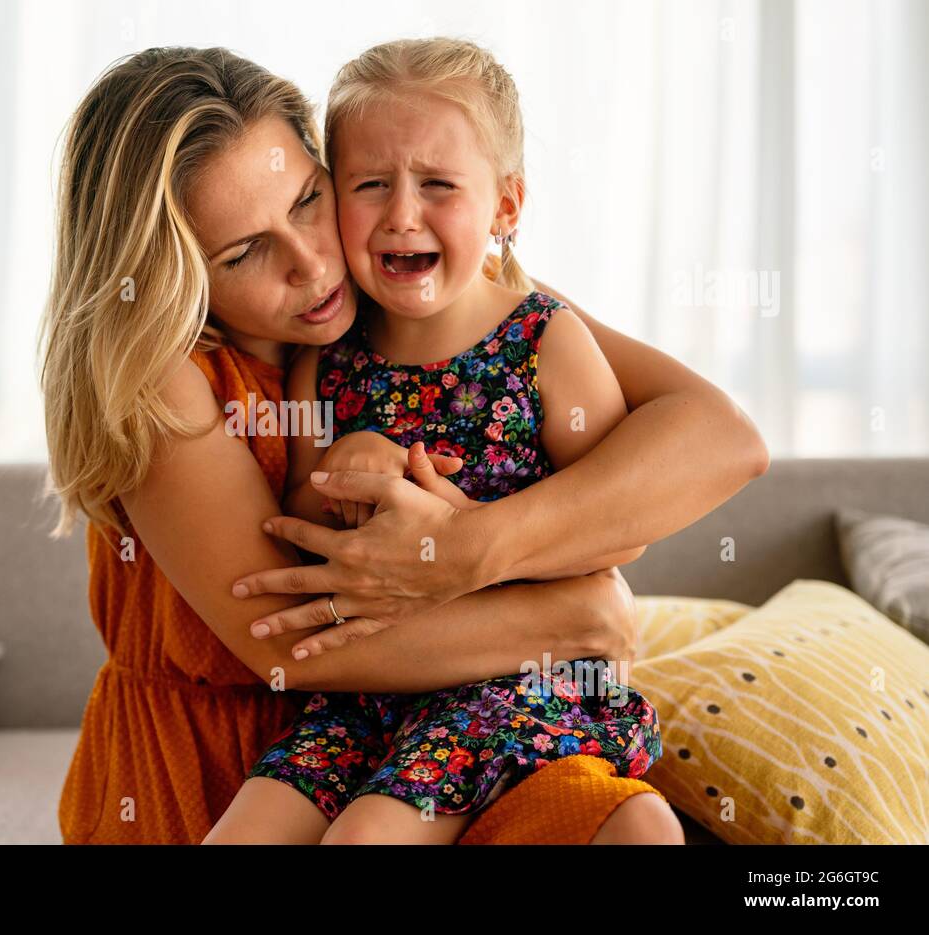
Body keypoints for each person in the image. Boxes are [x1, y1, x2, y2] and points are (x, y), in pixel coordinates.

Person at [38, 45, 768, 846]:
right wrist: (573, 612)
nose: (311, 262)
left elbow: (720, 437)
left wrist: (474, 546)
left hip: (430, 731)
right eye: (245, 252)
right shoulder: (163, 378)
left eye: (310, 201)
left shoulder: (462, 307)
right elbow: (298, 642)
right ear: (169, 274)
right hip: (241, 764)